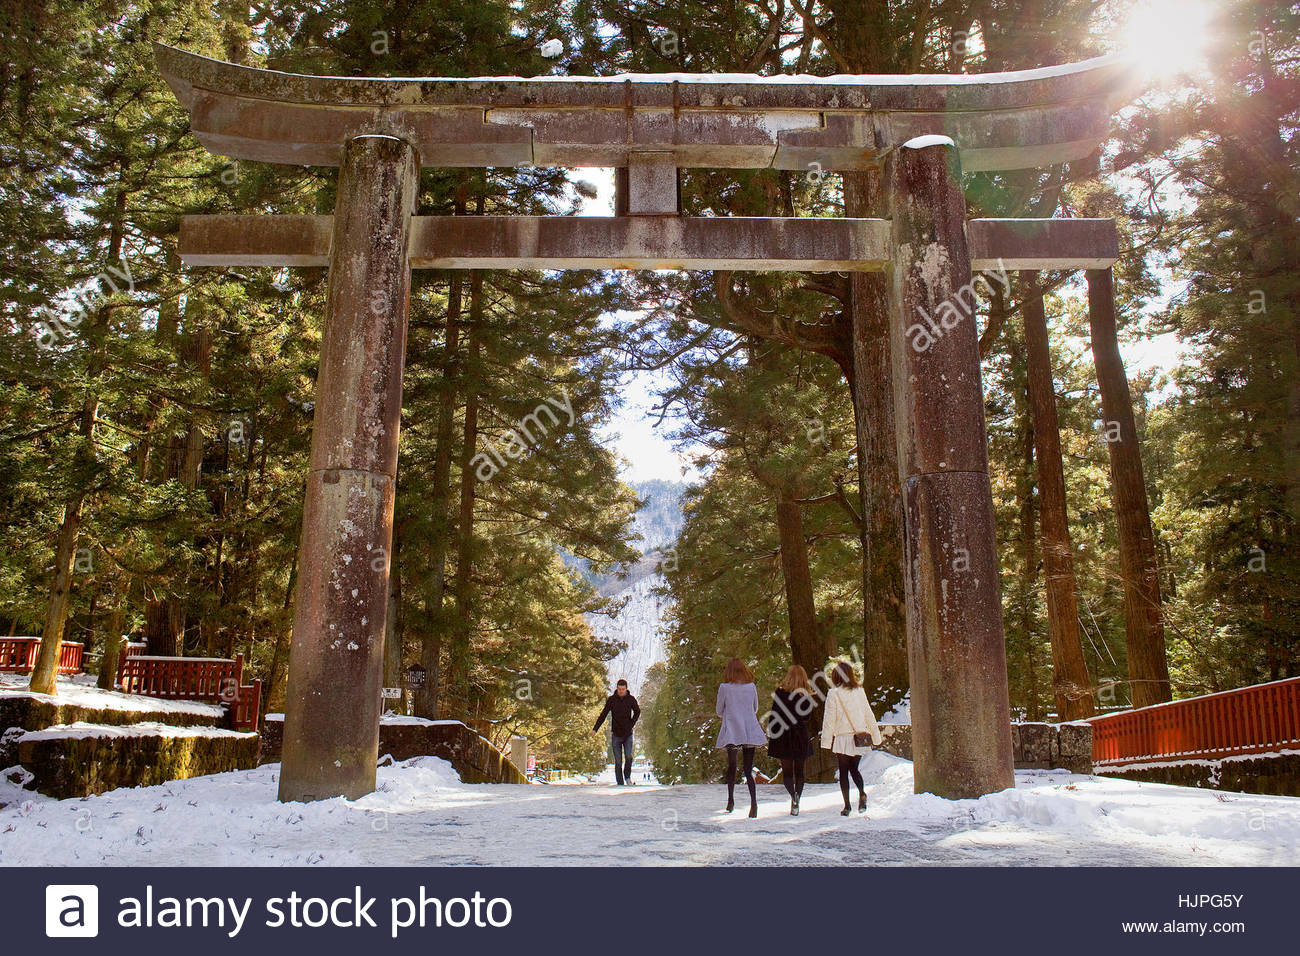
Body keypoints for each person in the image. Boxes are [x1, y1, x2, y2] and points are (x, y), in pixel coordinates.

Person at [820, 661, 883, 815]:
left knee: (843, 772)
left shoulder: (833, 693)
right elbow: (868, 713)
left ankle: (847, 806)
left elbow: (829, 719)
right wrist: (876, 736)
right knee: (854, 769)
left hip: (842, 737)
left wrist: (826, 741)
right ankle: (862, 793)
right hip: (859, 737)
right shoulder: (859, 691)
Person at [715, 658, 768, 817]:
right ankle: (754, 804)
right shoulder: (751, 687)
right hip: (749, 729)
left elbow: (719, 710)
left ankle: (730, 801)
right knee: (748, 768)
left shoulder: (724, 688)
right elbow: (755, 708)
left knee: (732, 767)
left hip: (732, 729)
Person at [766, 665, 815, 816]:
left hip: (783, 735)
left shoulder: (780, 692)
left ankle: (792, 796)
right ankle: (797, 799)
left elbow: (774, 714)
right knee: (799, 772)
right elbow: (807, 717)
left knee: (787, 772)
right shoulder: (806, 695)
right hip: (799, 734)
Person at [593, 679, 640, 785]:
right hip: (616, 735)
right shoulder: (612, 700)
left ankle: (627, 777)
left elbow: (637, 712)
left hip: (627, 734)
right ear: (617, 688)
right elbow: (603, 715)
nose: (621, 691)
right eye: (619, 689)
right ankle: (620, 782)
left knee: (628, 756)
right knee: (618, 761)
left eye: (623, 689)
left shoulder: (631, 699)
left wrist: (631, 724)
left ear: (626, 689)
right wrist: (595, 729)